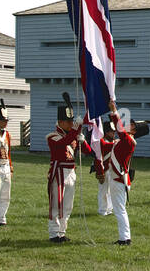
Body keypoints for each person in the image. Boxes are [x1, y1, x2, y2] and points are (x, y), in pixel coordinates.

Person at [45, 94, 87, 243]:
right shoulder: (52, 136)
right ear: (61, 122)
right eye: (68, 122)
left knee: (68, 205)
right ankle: (53, 233)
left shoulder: (72, 135)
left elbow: (87, 151)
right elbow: (63, 144)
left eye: (71, 122)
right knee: (56, 204)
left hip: (70, 172)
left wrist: (82, 140)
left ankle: (62, 232)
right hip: (59, 172)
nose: (70, 124)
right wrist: (77, 128)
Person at [107, 117, 150, 245]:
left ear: (134, 131)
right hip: (119, 179)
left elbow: (119, 130)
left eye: (131, 125)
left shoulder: (129, 141)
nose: (128, 125)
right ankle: (124, 237)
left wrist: (114, 112)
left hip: (118, 179)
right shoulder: (125, 140)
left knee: (120, 210)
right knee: (120, 209)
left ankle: (124, 238)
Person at [94, 120, 118, 215]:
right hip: (104, 169)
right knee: (103, 191)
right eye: (112, 132)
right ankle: (102, 210)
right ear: (106, 132)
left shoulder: (111, 141)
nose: (114, 133)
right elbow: (107, 147)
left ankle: (109, 208)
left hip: (112, 169)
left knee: (111, 190)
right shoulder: (102, 142)